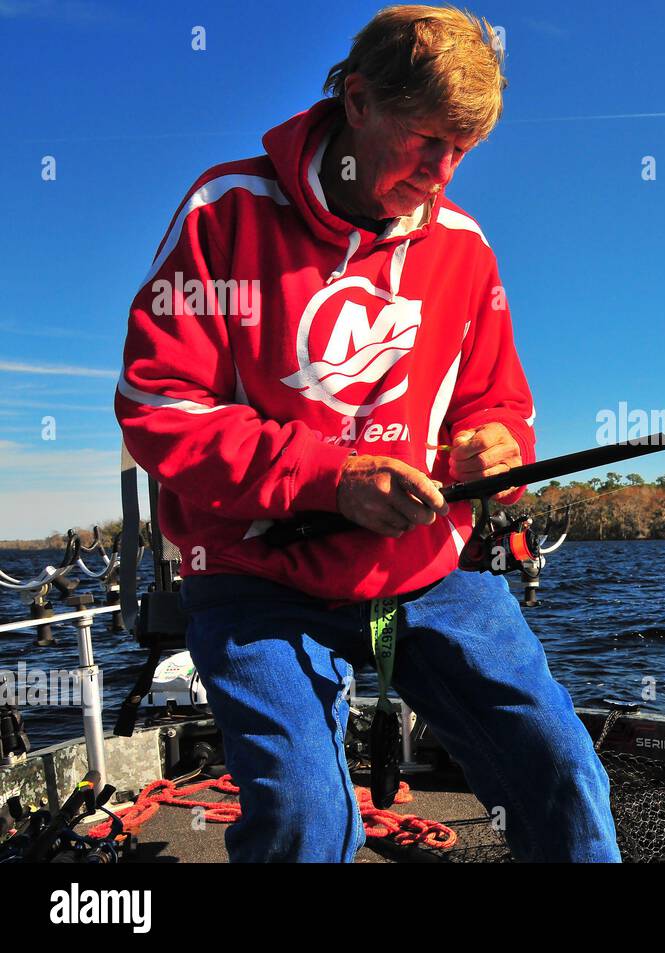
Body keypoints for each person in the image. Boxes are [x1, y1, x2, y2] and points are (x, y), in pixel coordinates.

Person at [115, 4, 621, 863]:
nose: (442, 173)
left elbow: (502, 405)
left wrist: (498, 451)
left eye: (464, 152)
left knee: (565, 770)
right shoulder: (224, 213)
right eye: (427, 141)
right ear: (357, 100)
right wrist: (332, 479)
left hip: (425, 571)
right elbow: (158, 402)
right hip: (254, 575)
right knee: (310, 818)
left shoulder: (465, 248)